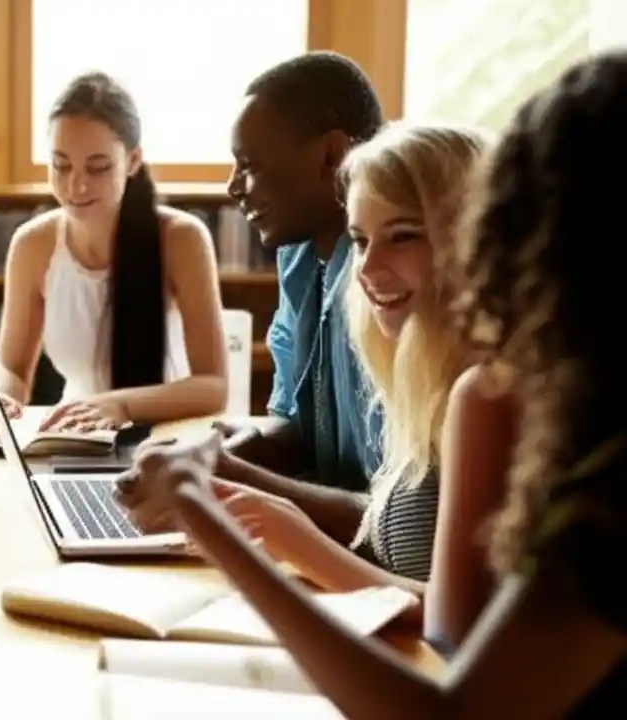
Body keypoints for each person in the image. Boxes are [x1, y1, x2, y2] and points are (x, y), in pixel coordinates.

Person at [118, 50, 627, 718]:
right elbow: (456, 622)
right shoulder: (565, 418)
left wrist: (221, 527)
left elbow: (450, 702)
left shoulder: (542, 431)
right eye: (360, 240)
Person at [168, 124, 513, 648]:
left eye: (403, 236)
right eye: (360, 240)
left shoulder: (492, 394)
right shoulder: (426, 381)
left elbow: (460, 626)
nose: (369, 267)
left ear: (471, 238)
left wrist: (293, 538)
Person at [126, 51, 388, 549]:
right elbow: (299, 428)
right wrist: (225, 453)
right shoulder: (298, 257)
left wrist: (218, 476)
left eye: (249, 165)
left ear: (333, 156)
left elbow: (389, 523)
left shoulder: (388, 286)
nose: (232, 187)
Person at [0, 71, 228, 435]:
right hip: (73, 437)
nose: (76, 185)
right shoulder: (32, 244)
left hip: (166, 438)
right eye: (60, 165)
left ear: (133, 160)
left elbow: (213, 386)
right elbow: (12, 370)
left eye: (98, 167)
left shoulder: (182, 239)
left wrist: (120, 405)